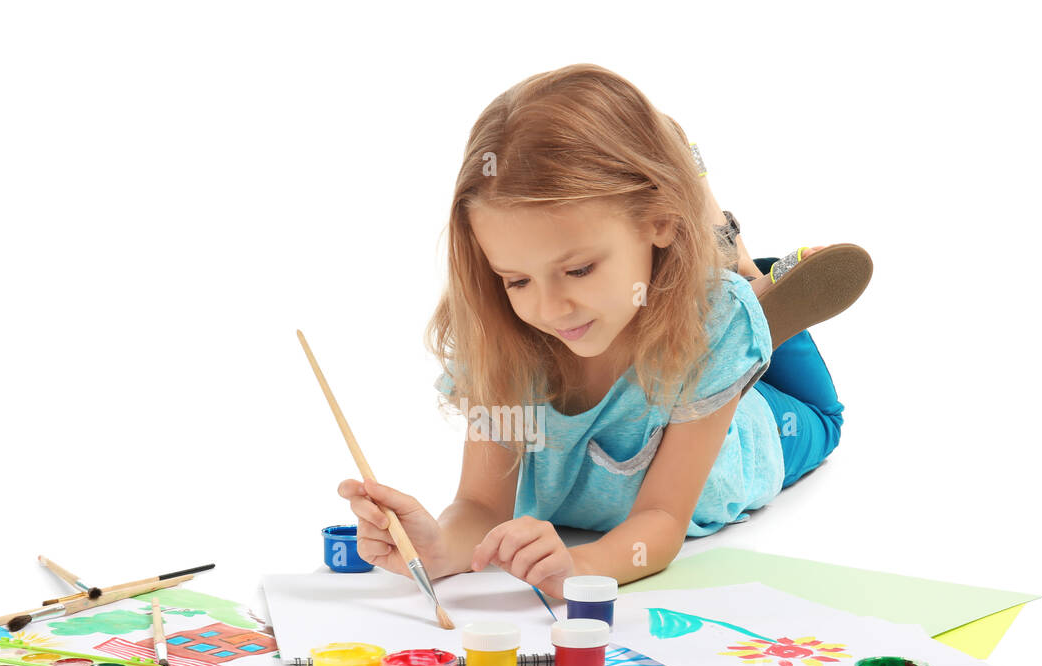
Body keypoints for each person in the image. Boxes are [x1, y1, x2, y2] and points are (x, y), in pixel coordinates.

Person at [338, 64, 870, 599]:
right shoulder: (496, 334)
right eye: (517, 279)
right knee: (722, 317)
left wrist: (575, 564)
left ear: (658, 221)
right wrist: (440, 548)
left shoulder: (714, 331)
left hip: (748, 429)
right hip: (693, 339)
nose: (550, 308)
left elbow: (660, 522)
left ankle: (742, 272)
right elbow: (478, 507)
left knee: (817, 412)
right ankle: (731, 267)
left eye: (579, 270)